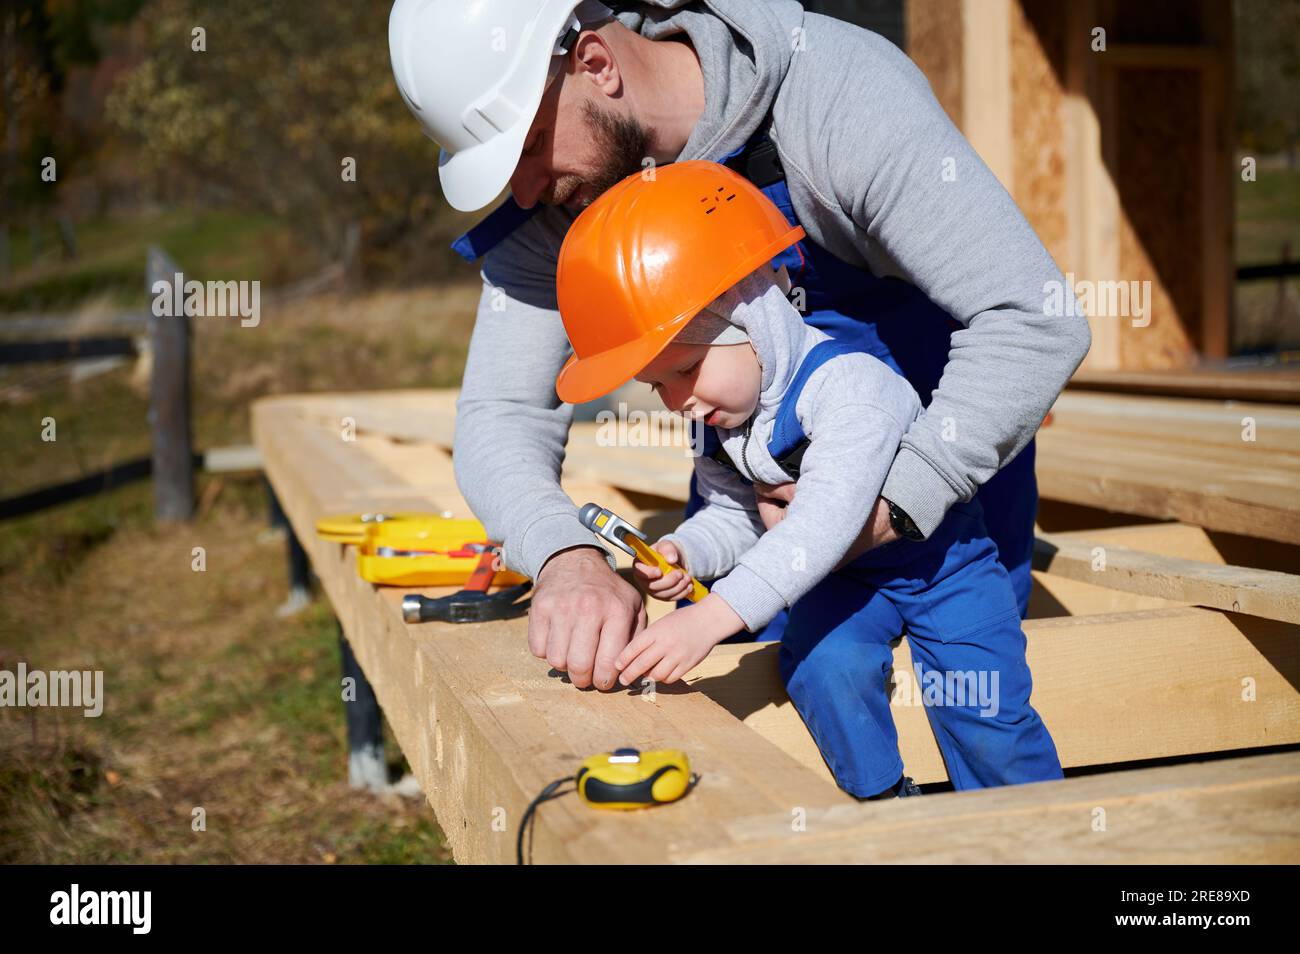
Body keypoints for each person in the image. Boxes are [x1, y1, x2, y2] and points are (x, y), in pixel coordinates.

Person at [387, 1, 1091, 731]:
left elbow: (1034, 318)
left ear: (595, 64)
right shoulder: (558, 199)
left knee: (964, 730)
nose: (526, 189)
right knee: (754, 743)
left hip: (938, 526)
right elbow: (504, 411)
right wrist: (563, 556)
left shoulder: (835, 94)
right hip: (755, 530)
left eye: (529, 145)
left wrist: (889, 507)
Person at [551, 160, 1062, 798]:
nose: (675, 400)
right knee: (823, 666)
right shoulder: (717, 417)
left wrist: (712, 620)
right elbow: (736, 514)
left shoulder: (851, 389)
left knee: (981, 705)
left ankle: (1036, 826)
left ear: (750, 320)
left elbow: (822, 523)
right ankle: (886, 805)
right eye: (657, 386)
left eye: (683, 371)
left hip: (943, 568)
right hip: (842, 580)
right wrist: (690, 551)